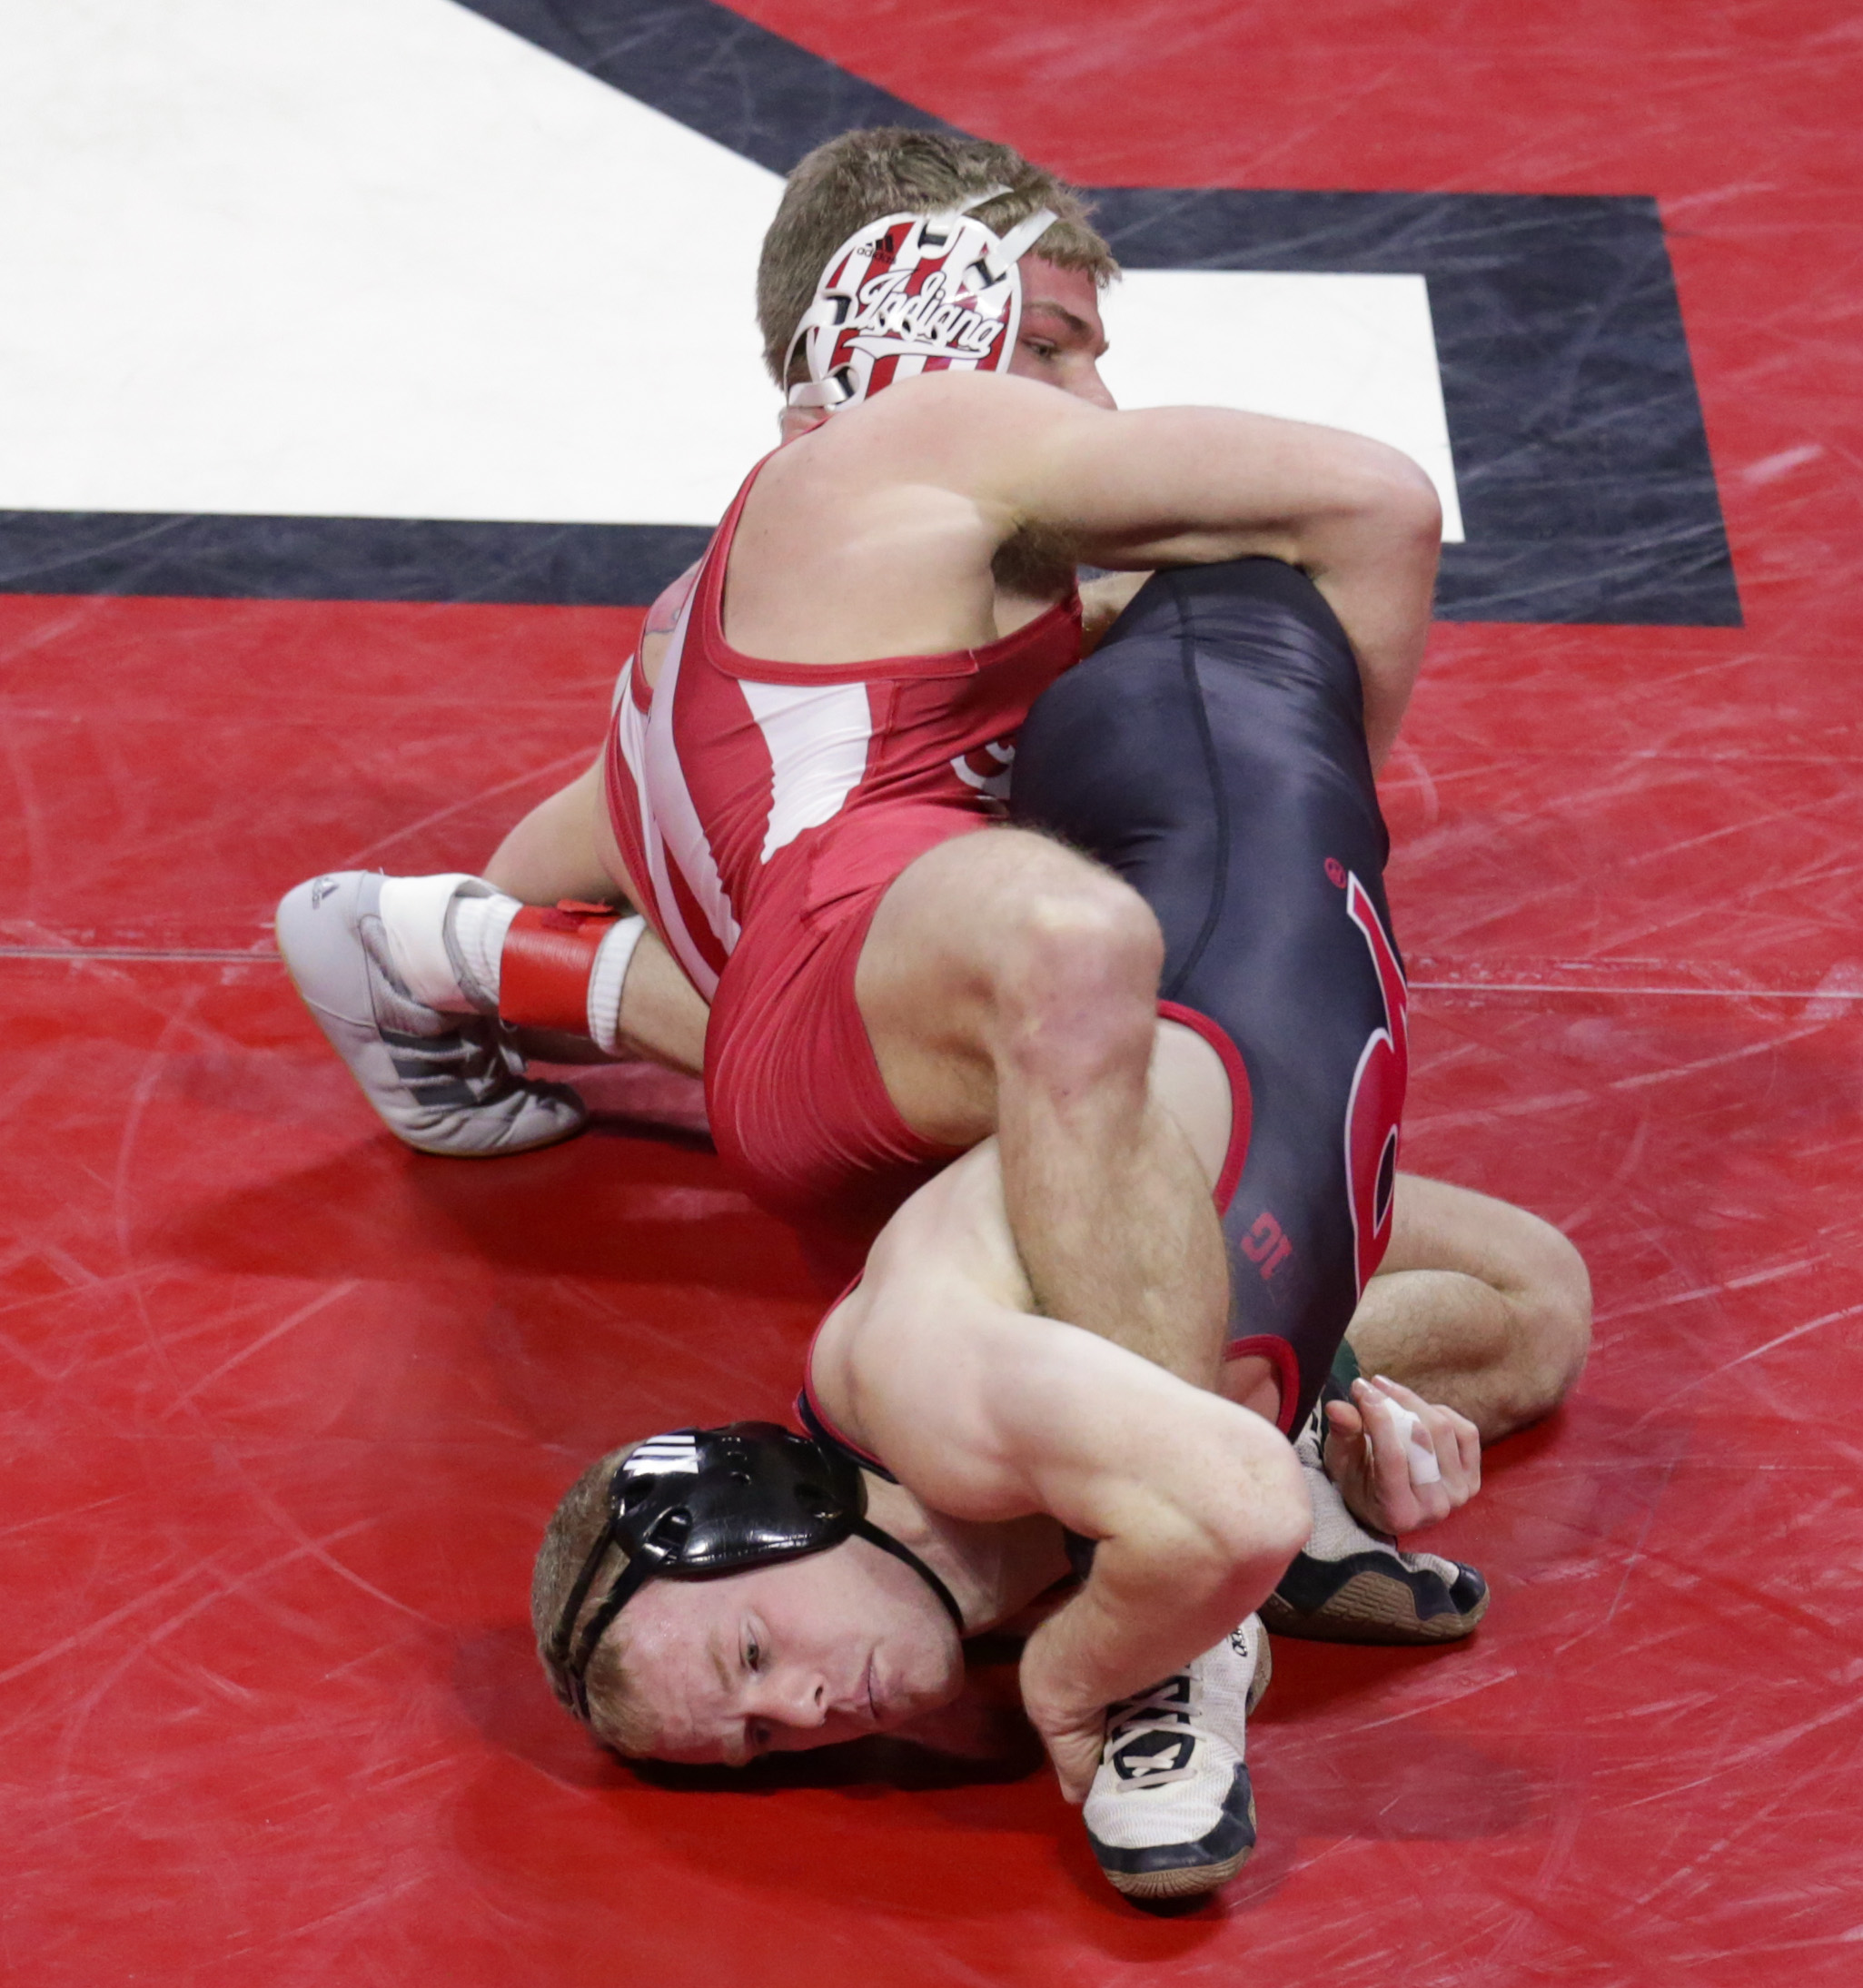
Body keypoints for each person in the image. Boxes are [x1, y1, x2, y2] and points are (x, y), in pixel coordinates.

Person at [275, 130, 1586, 1897]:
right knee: (1080, 927)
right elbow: (1373, 501)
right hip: (925, 1026)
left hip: (899, 1075)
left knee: (1520, 1304)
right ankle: (1173, 1635)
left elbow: (565, 853)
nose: (1094, 397)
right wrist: (1305, 829)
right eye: (1050, 341)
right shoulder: (916, 453)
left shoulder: (737, 626)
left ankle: (1228, 1430)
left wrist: (513, 958)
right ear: (905, 315)